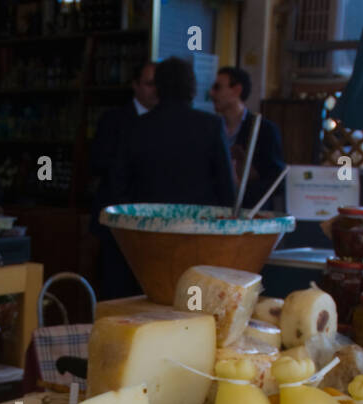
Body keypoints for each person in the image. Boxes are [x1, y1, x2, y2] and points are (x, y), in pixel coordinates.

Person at [111, 57, 236, 208]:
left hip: (147, 222)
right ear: (192, 87)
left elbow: (119, 184)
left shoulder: (135, 126)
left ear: (158, 87)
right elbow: (226, 188)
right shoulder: (212, 126)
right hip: (198, 223)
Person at [90, 62, 156, 299]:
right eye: (149, 83)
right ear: (136, 86)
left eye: (158, 84)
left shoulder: (162, 122)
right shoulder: (114, 119)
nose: (155, 90)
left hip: (150, 224)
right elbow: (96, 161)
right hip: (117, 222)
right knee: (115, 292)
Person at [208, 66, 286, 211]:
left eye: (217, 87)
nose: (212, 93)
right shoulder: (211, 128)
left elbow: (276, 180)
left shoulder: (264, 130)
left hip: (251, 212)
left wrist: (243, 188)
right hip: (217, 210)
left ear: (237, 90)